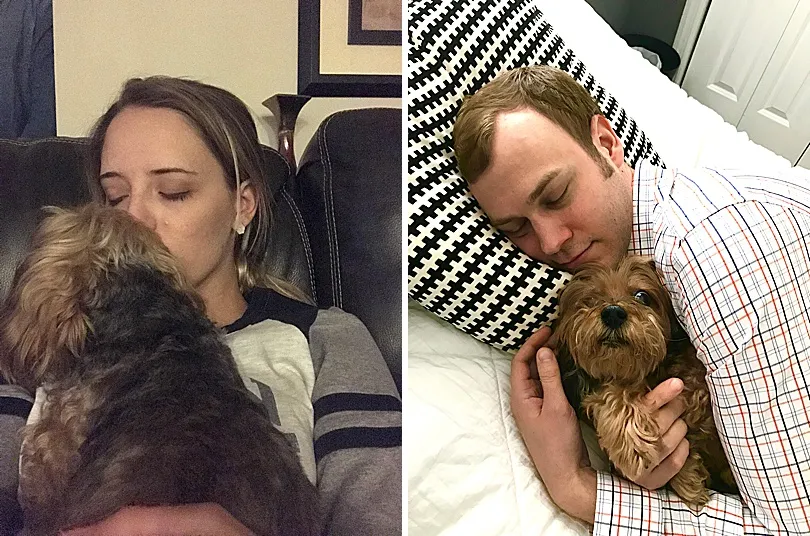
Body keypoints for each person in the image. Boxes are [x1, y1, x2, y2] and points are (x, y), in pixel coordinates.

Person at [0, 76, 401, 535]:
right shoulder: (53, 336)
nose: (136, 219)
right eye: (115, 198)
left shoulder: (320, 337)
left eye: (173, 192)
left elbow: (379, 518)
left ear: (241, 206)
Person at [453, 65, 810, 535]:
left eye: (557, 195)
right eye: (517, 230)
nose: (552, 242)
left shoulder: (709, 251)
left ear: (606, 141)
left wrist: (576, 486)